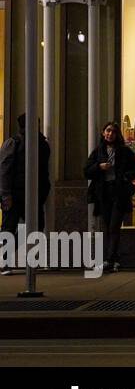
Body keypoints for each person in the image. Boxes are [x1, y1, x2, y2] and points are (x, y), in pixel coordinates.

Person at [84, 122, 135, 273]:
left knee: (114, 226)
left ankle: (111, 259)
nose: (110, 134)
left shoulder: (124, 151)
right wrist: (99, 167)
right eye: (108, 131)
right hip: (104, 193)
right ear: (103, 133)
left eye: (113, 132)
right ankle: (112, 258)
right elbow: (86, 171)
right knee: (107, 226)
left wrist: (124, 177)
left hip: (119, 192)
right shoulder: (98, 151)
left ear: (117, 135)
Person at [0, 114, 52, 273]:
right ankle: (4, 260)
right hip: (15, 193)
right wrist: (5, 194)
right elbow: (4, 170)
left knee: (36, 227)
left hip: (34, 193)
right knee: (9, 228)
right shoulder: (14, 143)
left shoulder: (42, 144)